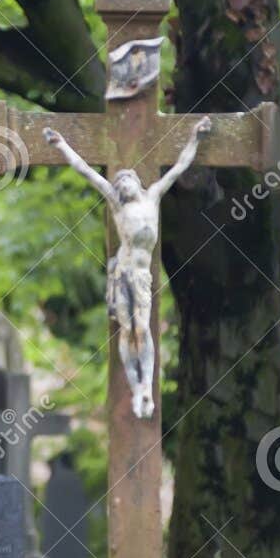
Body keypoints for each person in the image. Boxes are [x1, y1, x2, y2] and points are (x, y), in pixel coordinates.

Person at [42, 118, 212, 418]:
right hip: (122, 274)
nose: (122, 186)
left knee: (142, 329)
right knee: (126, 330)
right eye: (118, 185)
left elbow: (179, 167)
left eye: (126, 181)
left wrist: (196, 138)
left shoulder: (153, 196)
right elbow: (86, 171)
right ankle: (136, 389)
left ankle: (146, 387)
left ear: (137, 182)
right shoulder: (119, 207)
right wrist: (61, 144)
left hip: (142, 276)